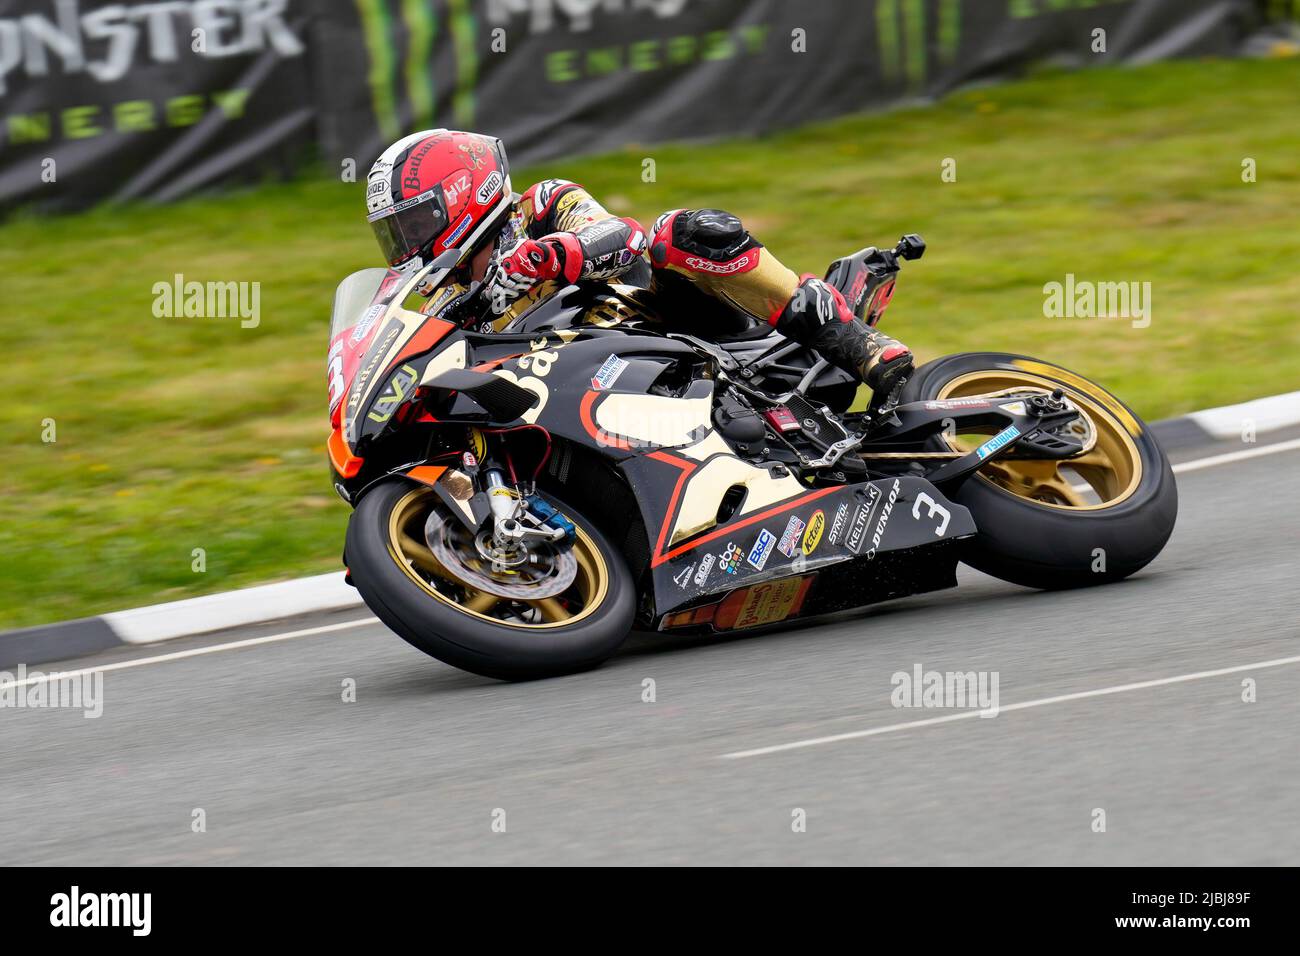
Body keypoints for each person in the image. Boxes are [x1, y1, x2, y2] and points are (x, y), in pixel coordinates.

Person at [364, 128, 913, 394]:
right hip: (581, 388)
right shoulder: (444, 300)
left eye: (412, 223)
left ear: (463, 193)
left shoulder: (542, 203)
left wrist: (555, 254)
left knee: (679, 233)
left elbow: (619, 236)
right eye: (395, 233)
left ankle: (854, 343)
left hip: (676, 326)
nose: (406, 243)